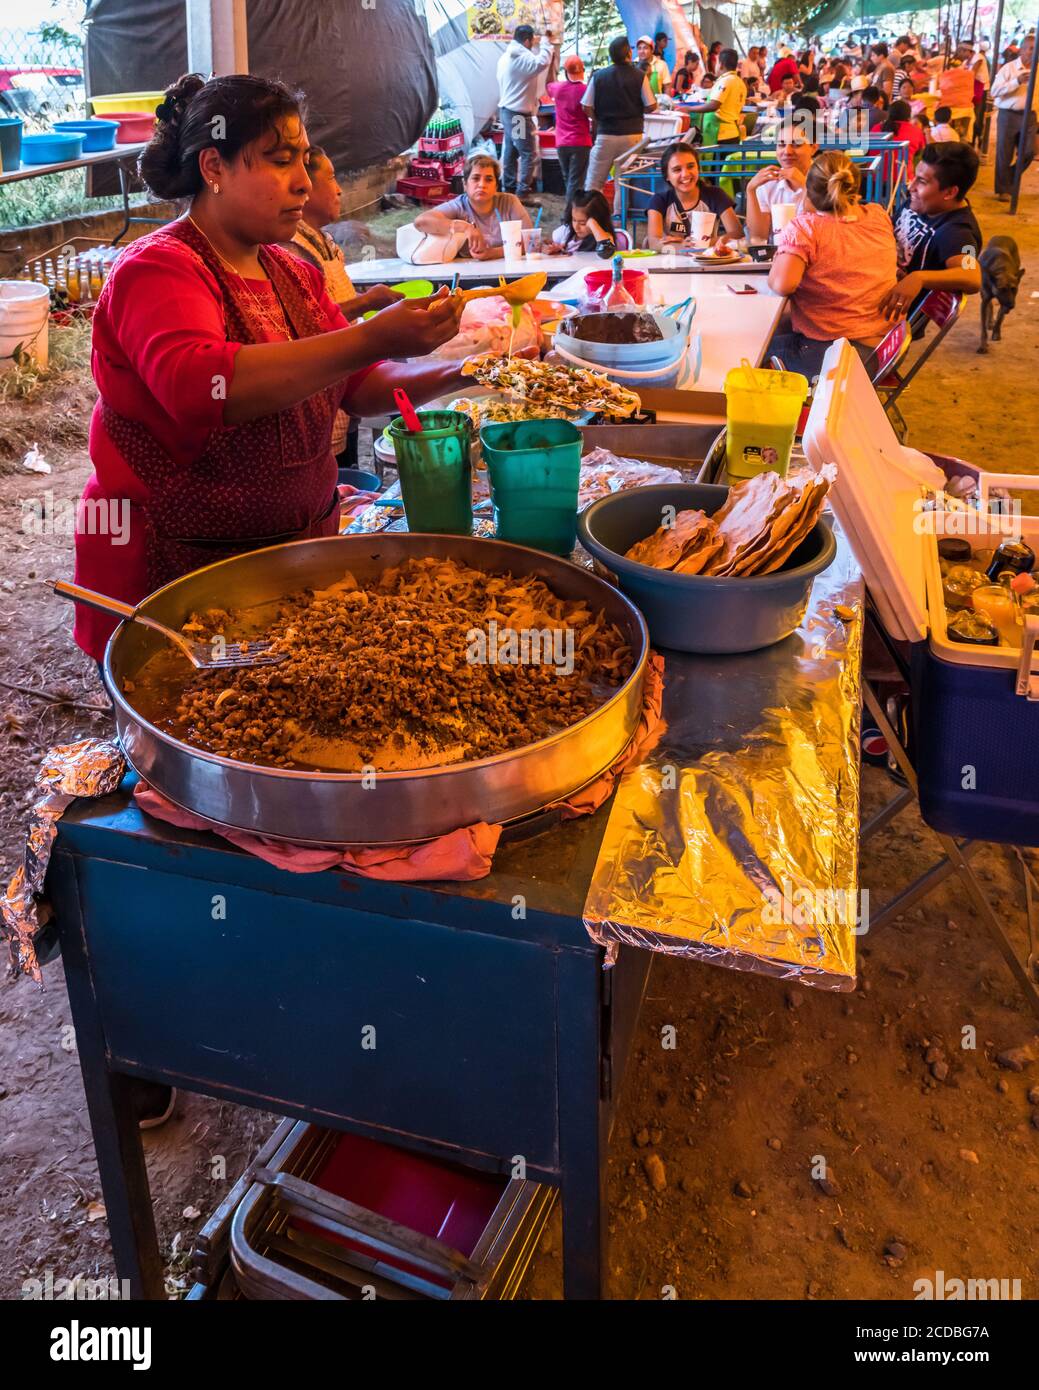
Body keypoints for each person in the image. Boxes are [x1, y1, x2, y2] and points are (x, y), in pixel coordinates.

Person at [75, 72, 466, 664]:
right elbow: (198, 386)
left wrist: (473, 368)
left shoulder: (294, 273)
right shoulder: (158, 270)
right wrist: (370, 339)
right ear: (214, 168)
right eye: (281, 161)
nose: (303, 183)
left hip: (294, 561)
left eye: (305, 161)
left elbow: (359, 389)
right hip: (182, 574)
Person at [282, 146, 405, 474]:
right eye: (332, 179)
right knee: (332, 472)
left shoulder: (324, 241)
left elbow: (331, 301)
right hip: (321, 386)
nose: (338, 189)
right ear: (304, 187)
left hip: (346, 380)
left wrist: (366, 301)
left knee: (345, 462)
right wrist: (368, 303)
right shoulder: (291, 248)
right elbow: (306, 322)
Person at [767, 148, 899, 380]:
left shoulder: (807, 228)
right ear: (855, 188)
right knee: (779, 327)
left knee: (753, 346)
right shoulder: (878, 216)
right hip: (887, 350)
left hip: (839, 358)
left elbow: (782, 285)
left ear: (809, 192)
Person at [887, 140, 982, 319]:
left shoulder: (957, 233)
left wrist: (918, 278)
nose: (911, 186)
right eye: (914, 177)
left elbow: (971, 275)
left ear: (949, 193)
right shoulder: (921, 203)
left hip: (889, 314)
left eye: (921, 181)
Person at [415, 154, 531, 259]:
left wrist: (492, 253)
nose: (482, 185)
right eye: (475, 178)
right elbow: (421, 222)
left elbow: (530, 242)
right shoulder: (458, 206)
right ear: (465, 184)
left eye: (489, 179)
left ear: (496, 186)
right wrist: (465, 228)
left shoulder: (509, 202)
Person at [582, 35, 657, 195]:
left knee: (594, 182)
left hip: (606, 134)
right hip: (633, 136)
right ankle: (618, 217)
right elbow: (651, 105)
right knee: (624, 182)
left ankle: (591, 217)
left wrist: (597, 118)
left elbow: (586, 105)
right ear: (629, 53)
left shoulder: (599, 76)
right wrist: (637, 111)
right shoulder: (639, 76)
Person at [496, 23, 555, 202]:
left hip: (508, 112)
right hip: (518, 116)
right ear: (527, 40)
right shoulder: (519, 58)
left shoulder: (506, 57)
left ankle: (510, 187)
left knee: (512, 152)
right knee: (528, 153)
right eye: (532, 42)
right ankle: (522, 193)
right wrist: (546, 42)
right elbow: (541, 62)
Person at [645, 141, 742, 248]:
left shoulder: (716, 195)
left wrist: (700, 244)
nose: (685, 174)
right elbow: (653, 243)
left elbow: (737, 234)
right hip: (671, 262)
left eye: (691, 166)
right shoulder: (659, 201)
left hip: (707, 261)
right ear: (667, 175)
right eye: (677, 170)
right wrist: (682, 246)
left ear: (698, 168)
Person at [744, 125, 818, 240]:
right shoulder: (768, 183)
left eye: (796, 145)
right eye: (781, 145)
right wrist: (750, 190)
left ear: (813, 148)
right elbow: (758, 238)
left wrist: (805, 187)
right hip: (778, 255)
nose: (787, 151)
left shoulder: (827, 179)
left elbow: (822, 230)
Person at [991, 31, 1037, 200]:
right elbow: (995, 91)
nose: (1034, 52)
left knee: (1028, 152)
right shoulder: (1008, 69)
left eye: (1036, 48)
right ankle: (1003, 190)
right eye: (1031, 48)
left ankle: (1007, 177)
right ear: (1022, 50)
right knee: (1005, 152)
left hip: (1030, 116)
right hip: (1009, 114)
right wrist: (1016, 81)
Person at [547, 55, 592, 205]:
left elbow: (548, 84)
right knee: (576, 182)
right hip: (581, 142)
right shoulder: (586, 90)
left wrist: (551, 63)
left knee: (569, 180)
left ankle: (570, 213)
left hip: (562, 143)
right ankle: (570, 214)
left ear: (566, 72)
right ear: (583, 71)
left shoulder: (558, 88)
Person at [686, 47, 747, 145]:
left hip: (720, 135)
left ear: (721, 64)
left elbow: (714, 105)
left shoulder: (726, 80)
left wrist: (689, 109)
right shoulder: (740, 82)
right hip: (733, 133)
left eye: (717, 62)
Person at [548, 187, 631, 254]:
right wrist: (551, 249)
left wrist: (592, 224)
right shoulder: (566, 232)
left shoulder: (606, 237)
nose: (576, 227)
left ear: (598, 220)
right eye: (574, 220)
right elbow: (546, 242)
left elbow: (606, 252)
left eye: (582, 223)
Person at [883, 98, 927, 174]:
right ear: (909, 116)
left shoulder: (876, 128)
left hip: (874, 179)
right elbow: (919, 153)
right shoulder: (916, 131)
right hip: (903, 178)